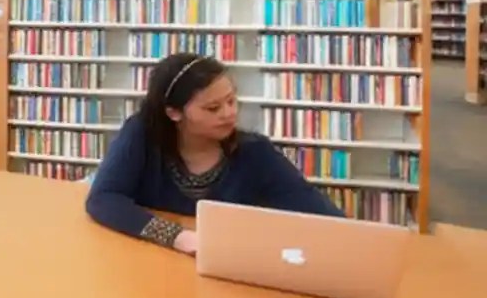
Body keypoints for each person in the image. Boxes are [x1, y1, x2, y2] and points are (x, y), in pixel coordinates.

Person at [85, 52, 342, 255]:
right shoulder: (141, 134)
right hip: (149, 267)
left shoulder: (255, 153)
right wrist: (176, 236)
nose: (229, 114)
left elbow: (326, 219)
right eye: (213, 108)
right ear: (173, 112)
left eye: (231, 101)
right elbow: (104, 198)